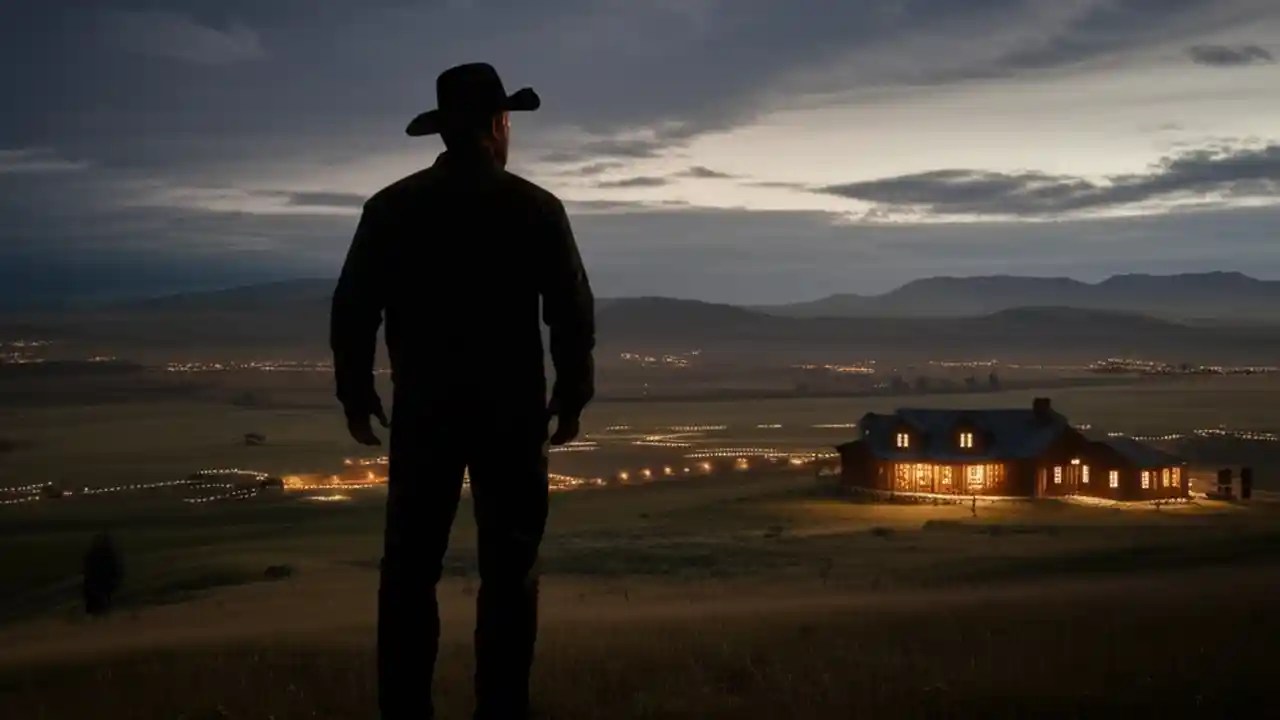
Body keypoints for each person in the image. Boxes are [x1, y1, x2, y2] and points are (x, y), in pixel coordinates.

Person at [329, 62, 596, 720]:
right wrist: (572, 392)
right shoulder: (536, 209)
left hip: (425, 416)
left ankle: (405, 711)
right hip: (510, 420)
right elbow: (571, 311)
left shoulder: (391, 210)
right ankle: (502, 709)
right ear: (500, 125)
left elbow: (353, 310)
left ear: (444, 133)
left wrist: (356, 391)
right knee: (510, 575)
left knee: (409, 573)